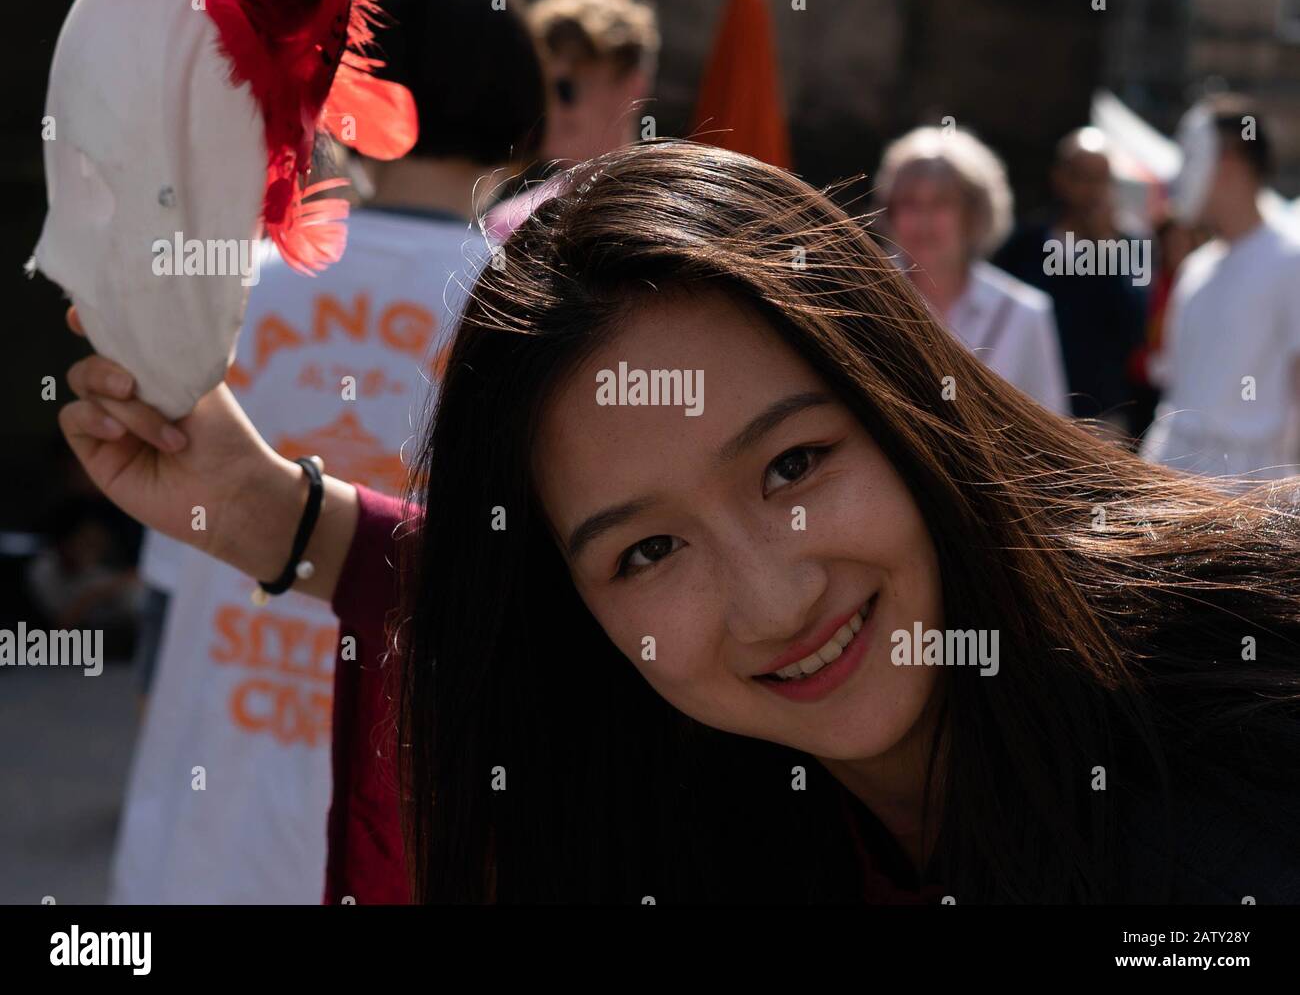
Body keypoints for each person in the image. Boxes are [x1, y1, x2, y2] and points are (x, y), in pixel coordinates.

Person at [60, 142, 1300, 904]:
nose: (773, 600)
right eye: (645, 551)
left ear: (908, 397)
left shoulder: (1239, 748)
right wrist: (279, 515)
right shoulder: (712, 792)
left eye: (794, 464)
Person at [108, 0, 546, 904]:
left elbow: (167, 588)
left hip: (206, 830)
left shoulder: (229, 291)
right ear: (525, 110)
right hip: (415, 832)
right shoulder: (543, 324)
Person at [1140, 95, 1300, 481]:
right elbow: (1176, 390)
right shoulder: (1196, 267)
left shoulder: (1290, 257)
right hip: (1173, 479)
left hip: (1249, 496)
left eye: (1192, 155)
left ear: (1228, 162)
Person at [875, 126, 1070, 414]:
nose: (923, 220)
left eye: (940, 203)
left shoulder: (1023, 313)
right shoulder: (864, 297)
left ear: (974, 214)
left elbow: (1052, 427)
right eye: (909, 203)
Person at [995, 128, 1150, 435]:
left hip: (1100, 418)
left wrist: (1105, 246)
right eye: (1082, 176)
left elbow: (1136, 325)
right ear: (1060, 178)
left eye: (1100, 179)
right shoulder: (1026, 243)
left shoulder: (1130, 245)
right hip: (1029, 410)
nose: (1091, 190)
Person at [485, 0, 660, 243]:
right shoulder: (506, 226)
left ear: (633, 86)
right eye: (540, 88)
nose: (550, 107)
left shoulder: (668, 217)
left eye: (565, 88)